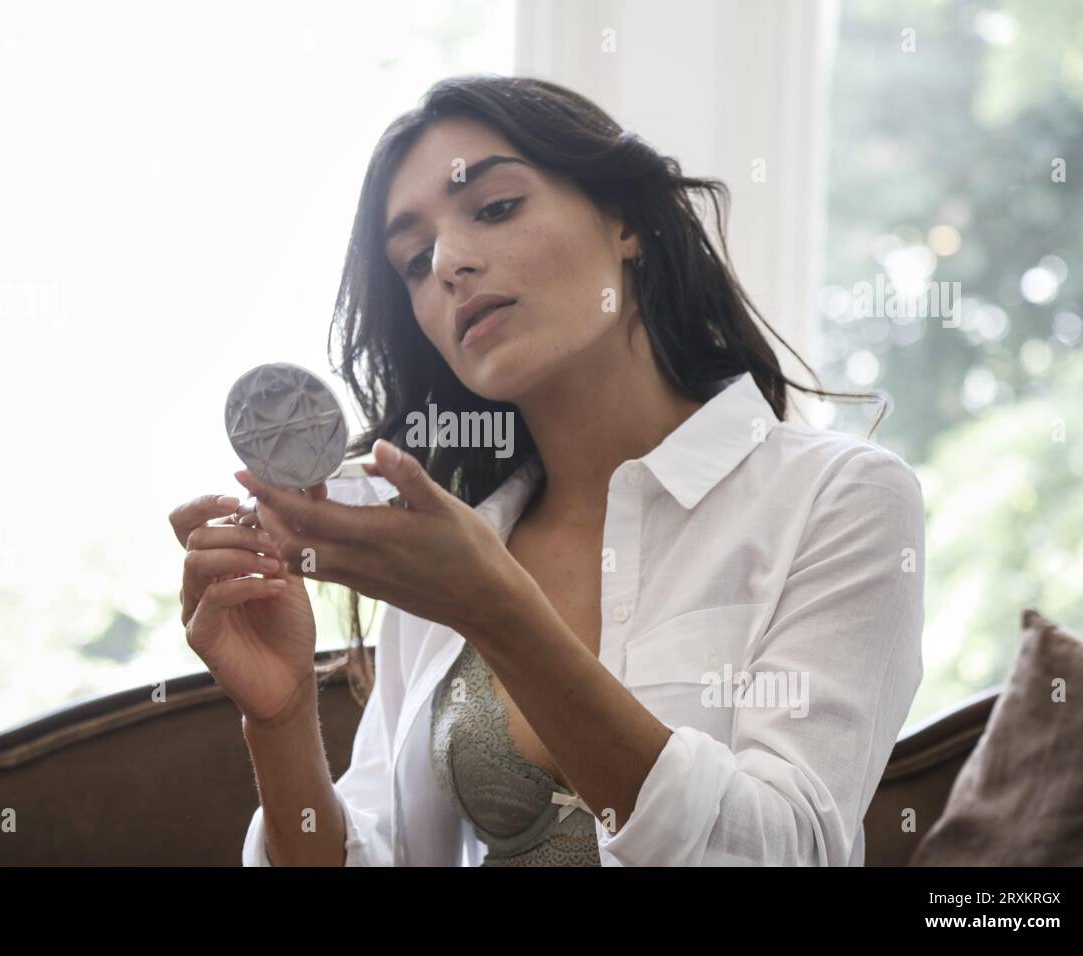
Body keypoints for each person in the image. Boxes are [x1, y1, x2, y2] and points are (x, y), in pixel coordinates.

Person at [167, 75, 925, 866]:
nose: (451, 264)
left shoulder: (841, 500)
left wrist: (498, 611)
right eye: (414, 259)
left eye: (495, 208)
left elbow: (786, 849)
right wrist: (282, 719)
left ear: (625, 221)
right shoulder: (441, 548)